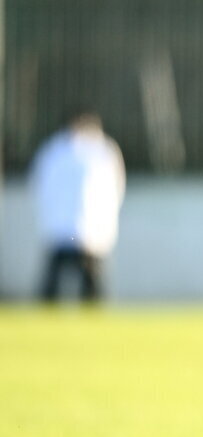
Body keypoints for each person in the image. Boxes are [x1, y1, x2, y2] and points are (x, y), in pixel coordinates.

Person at [29, 110, 125, 302]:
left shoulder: (102, 150)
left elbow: (114, 187)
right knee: (55, 281)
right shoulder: (56, 150)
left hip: (89, 228)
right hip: (62, 227)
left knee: (91, 281)